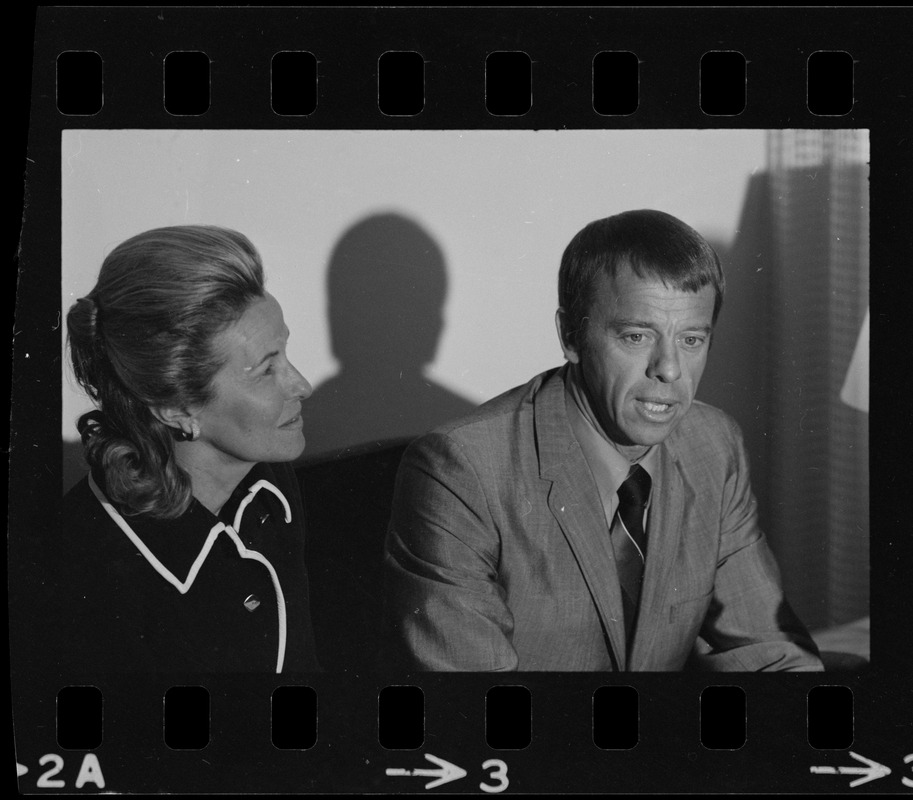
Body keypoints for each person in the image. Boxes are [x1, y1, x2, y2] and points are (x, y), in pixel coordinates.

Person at [384, 209, 823, 672]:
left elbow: (768, 649)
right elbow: (477, 712)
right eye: (636, 336)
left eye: (692, 339)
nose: (670, 370)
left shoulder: (713, 443)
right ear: (571, 337)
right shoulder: (462, 469)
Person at [55, 225, 319, 672]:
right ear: (175, 409)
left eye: (286, 356)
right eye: (264, 370)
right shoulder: (84, 575)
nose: (303, 386)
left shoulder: (269, 482)